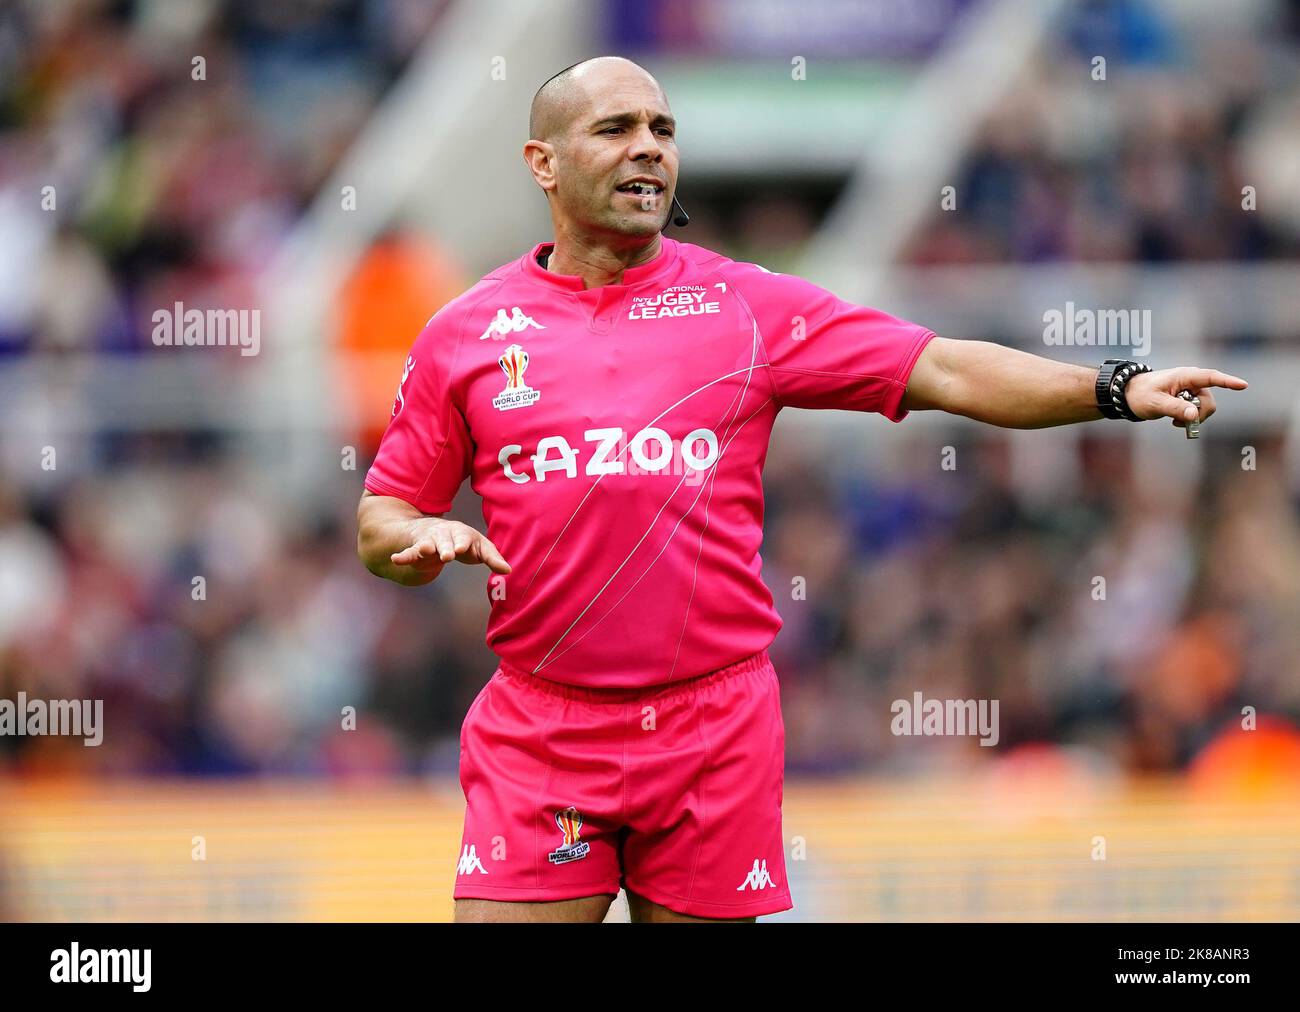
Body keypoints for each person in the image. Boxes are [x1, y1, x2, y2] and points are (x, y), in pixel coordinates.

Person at [355, 56, 1247, 923]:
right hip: (542, 729)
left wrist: (1113, 388)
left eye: (663, 130)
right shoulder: (464, 334)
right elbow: (381, 520)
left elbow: (943, 368)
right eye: (616, 128)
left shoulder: (747, 307)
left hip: (712, 725)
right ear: (542, 163)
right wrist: (413, 543)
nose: (649, 148)